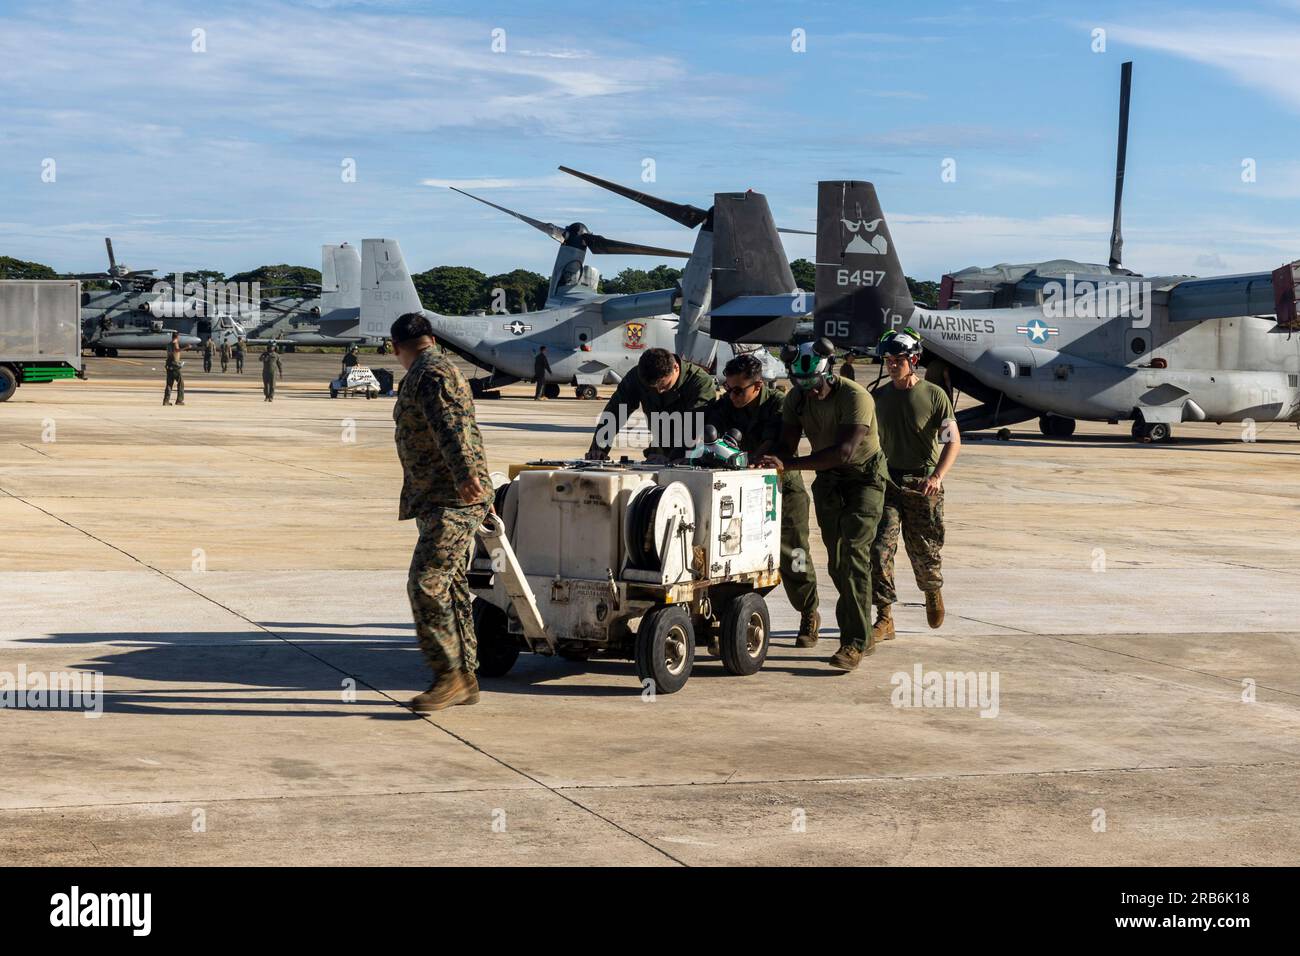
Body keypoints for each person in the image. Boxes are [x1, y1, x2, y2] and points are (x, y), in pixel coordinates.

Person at [759, 338, 886, 672]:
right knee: (838, 562)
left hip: (864, 479)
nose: (810, 391)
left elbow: (844, 451)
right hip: (829, 481)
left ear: (828, 372)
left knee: (854, 556)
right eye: (802, 384)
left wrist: (790, 465)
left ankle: (853, 643)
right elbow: (787, 445)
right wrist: (766, 459)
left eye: (814, 384)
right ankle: (863, 632)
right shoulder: (797, 398)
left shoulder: (856, 397)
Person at [390, 311, 493, 712]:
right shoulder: (433, 369)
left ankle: (448, 676)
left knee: (426, 583)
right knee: (450, 584)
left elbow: (450, 426)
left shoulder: (431, 373)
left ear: (396, 348)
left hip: (454, 497)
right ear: (430, 339)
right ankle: (465, 676)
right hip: (439, 495)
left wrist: (466, 476)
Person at [706, 354, 820, 647]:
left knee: (794, 554)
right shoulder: (725, 405)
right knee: (731, 555)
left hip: (781, 490)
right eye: (728, 388)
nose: (732, 395)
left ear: (757, 386)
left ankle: (808, 612)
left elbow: (776, 442)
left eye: (738, 390)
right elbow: (709, 433)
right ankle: (725, 616)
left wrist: (754, 459)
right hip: (742, 490)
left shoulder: (778, 404)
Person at [869, 327, 960, 640]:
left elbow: (952, 441)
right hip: (888, 482)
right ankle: (884, 617)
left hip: (922, 484)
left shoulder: (934, 396)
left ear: (913, 360)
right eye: (888, 359)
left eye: (899, 359)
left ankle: (932, 590)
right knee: (879, 549)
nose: (893, 364)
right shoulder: (878, 397)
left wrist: (937, 477)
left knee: (924, 550)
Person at [586, 348, 716, 462]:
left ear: (676, 368)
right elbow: (616, 411)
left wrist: (674, 458)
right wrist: (598, 449)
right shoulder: (637, 376)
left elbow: (695, 428)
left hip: (693, 456)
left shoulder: (700, 383)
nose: (659, 391)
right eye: (652, 387)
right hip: (659, 454)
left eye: (664, 385)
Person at [163, 332, 186, 406]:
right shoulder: (175, 343)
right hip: (175, 366)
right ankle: (179, 400)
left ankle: (166, 401)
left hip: (169, 365)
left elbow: (169, 354)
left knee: (169, 384)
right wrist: (186, 347)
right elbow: (177, 350)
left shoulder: (169, 344)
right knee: (180, 383)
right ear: (177, 337)